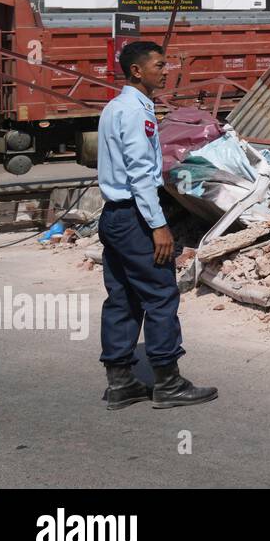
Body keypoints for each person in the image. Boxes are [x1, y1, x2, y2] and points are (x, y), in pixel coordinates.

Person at [97, 41, 216, 410]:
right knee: (162, 294)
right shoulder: (135, 112)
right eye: (159, 65)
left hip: (114, 215)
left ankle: (121, 382)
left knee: (124, 297)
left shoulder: (116, 107)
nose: (166, 71)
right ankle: (167, 380)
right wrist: (158, 225)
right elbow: (139, 174)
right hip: (133, 216)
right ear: (137, 71)